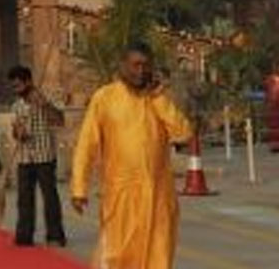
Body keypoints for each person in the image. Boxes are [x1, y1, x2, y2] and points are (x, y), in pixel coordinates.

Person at [71, 43, 193, 269]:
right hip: (121, 198)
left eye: (146, 66)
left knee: (158, 260)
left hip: (159, 198)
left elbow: (183, 133)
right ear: (122, 66)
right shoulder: (105, 98)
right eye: (136, 65)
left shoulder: (157, 99)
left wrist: (158, 99)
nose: (141, 71)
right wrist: (79, 188)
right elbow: (86, 144)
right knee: (117, 258)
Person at [6, 65, 67, 248]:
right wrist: (19, 132)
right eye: (13, 87)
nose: (16, 90)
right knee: (24, 198)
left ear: (28, 82)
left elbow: (60, 120)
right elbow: (15, 132)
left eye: (18, 86)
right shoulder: (16, 106)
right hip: (25, 158)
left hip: (45, 156)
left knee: (50, 197)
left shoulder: (45, 98)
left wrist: (45, 105)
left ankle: (55, 235)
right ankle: (24, 235)